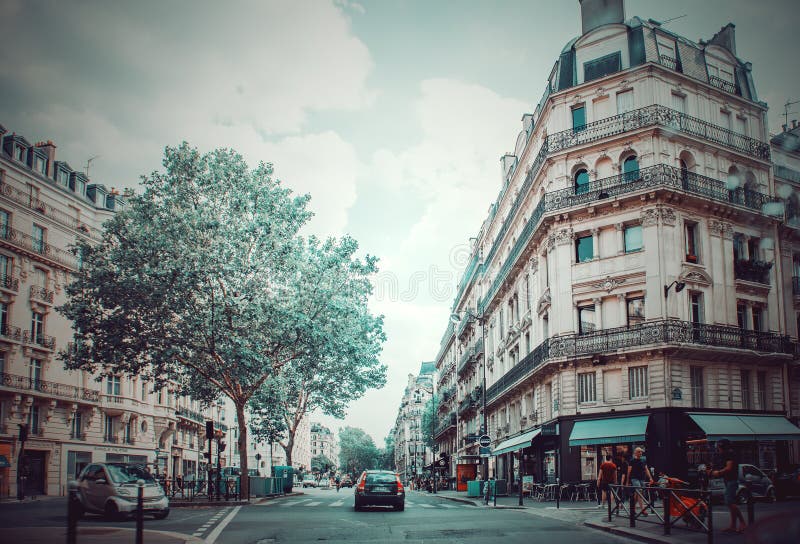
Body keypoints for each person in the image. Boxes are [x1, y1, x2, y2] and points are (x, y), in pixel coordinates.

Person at [709, 439, 746, 534]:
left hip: (732, 481)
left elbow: (729, 468)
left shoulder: (730, 454)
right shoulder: (725, 455)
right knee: (730, 503)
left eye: (719, 447)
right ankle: (733, 526)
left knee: (729, 501)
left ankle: (742, 523)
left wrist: (718, 472)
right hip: (728, 480)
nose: (718, 449)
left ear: (722, 446)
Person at [627, 447, 654, 516]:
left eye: (641, 452)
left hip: (642, 478)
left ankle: (632, 508)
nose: (640, 453)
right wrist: (627, 481)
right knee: (639, 490)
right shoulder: (632, 460)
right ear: (635, 452)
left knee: (638, 493)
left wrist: (650, 478)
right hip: (634, 478)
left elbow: (646, 469)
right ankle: (643, 509)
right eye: (639, 452)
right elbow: (629, 471)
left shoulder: (643, 460)